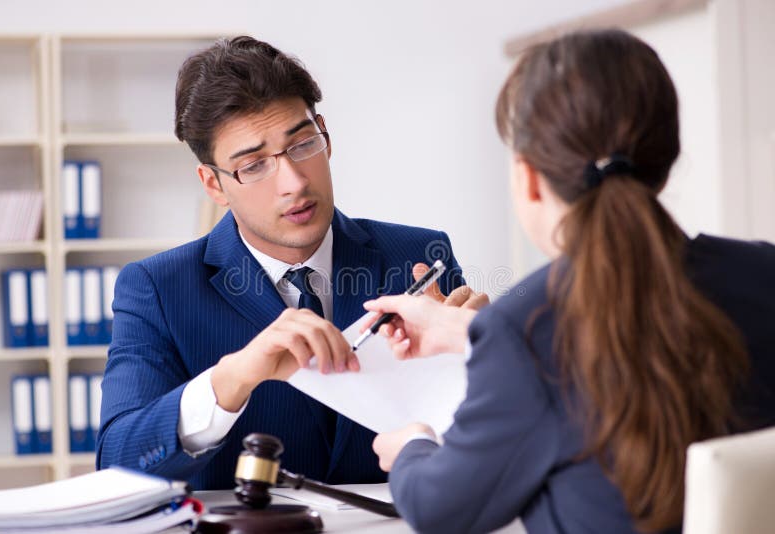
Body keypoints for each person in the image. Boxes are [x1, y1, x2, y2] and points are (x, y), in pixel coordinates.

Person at [366, 29, 775, 534]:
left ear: (529, 179)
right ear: (664, 160)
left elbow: (442, 509)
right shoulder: (764, 273)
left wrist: (412, 448)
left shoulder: (528, 329)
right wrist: (472, 331)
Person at [96, 36, 482, 490]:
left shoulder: (419, 256)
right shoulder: (157, 288)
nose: (294, 181)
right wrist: (231, 379)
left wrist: (482, 352)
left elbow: (493, 445)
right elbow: (117, 463)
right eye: (254, 165)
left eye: (302, 144)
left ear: (326, 136)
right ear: (214, 185)